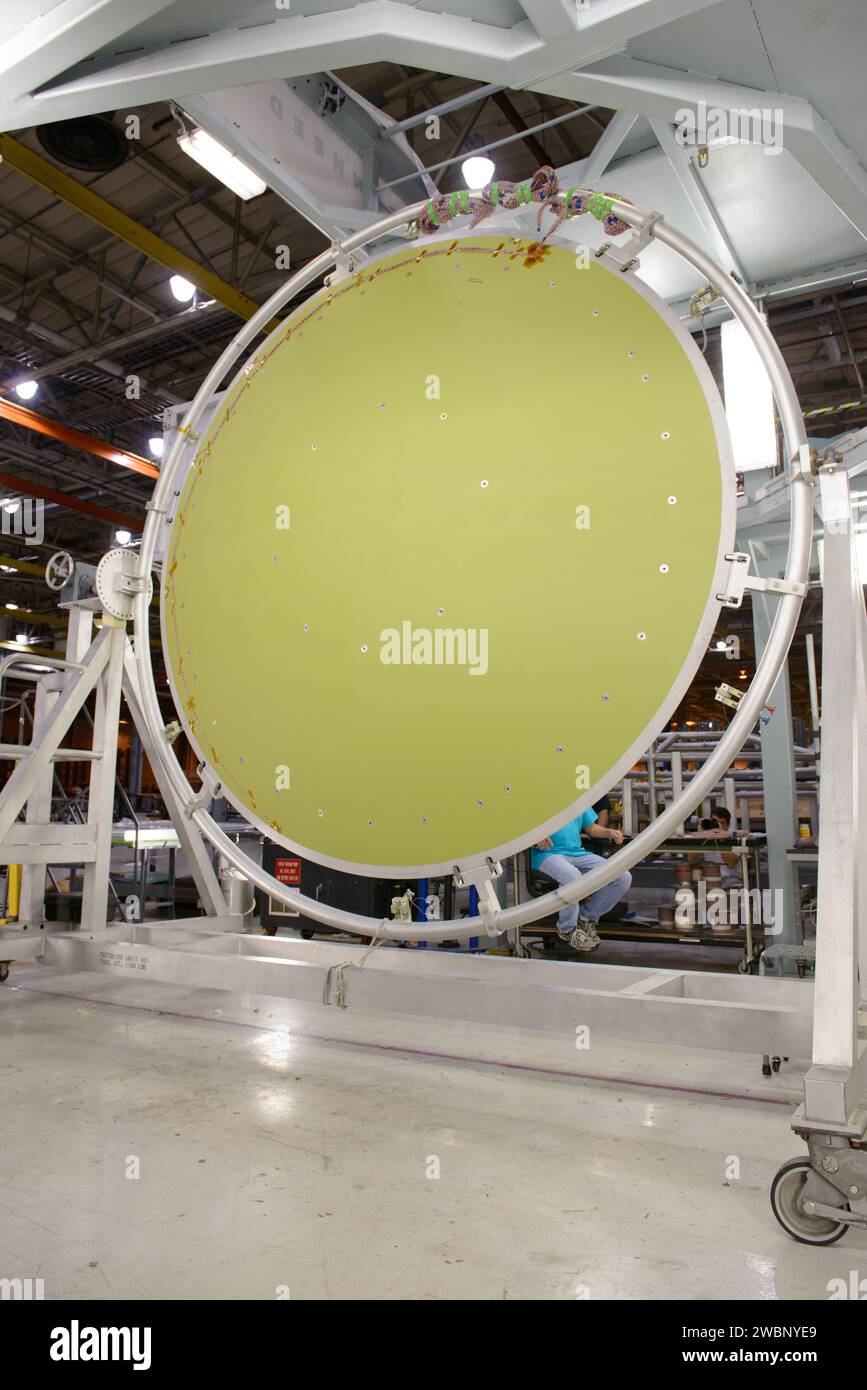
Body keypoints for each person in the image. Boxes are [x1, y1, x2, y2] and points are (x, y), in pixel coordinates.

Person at [532, 807, 631, 953]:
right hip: (547, 854)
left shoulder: (578, 799)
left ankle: (585, 918)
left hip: (577, 854)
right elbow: (519, 827)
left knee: (622, 876)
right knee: (573, 877)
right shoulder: (538, 799)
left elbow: (591, 828)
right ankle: (567, 929)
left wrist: (610, 832)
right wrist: (534, 836)